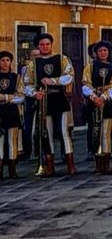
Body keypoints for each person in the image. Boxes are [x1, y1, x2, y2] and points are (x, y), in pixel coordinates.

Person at [23, 33, 75, 176]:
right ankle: (50, 165)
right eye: (42, 44)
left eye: (47, 44)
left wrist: (53, 81)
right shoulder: (32, 64)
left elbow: (70, 76)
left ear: (51, 44)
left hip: (59, 98)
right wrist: (35, 93)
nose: (45, 46)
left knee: (64, 131)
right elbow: (26, 84)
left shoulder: (62, 59)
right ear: (38, 46)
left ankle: (70, 164)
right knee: (47, 133)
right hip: (44, 101)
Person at [81, 41, 112, 175]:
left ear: (108, 52)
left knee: (106, 133)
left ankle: (106, 161)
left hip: (108, 103)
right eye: (100, 51)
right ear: (96, 53)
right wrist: (94, 97)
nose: (103, 53)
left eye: (105, 51)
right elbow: (86, 84)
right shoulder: (90, 67)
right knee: (95, 132)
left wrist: (103, 98)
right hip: (93, 102)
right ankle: (97, 162)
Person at [0, 51, 24, 180]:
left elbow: (20, 96)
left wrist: (5, 97)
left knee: (12, 141)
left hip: (12, 112)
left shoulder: (16, 78)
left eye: (7, 60)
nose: (5, 63)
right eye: (2, 60)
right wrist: (11, 97)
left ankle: (12, 169)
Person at [20, 47, 40, 160]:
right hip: (29, 98)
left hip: (42, 97)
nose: (36, 57)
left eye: (38, 55)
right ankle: (27, 150)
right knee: (28, 125)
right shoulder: (25, 69)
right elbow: (23, 84)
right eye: (34, 55)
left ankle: (39, 150)